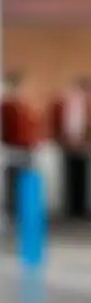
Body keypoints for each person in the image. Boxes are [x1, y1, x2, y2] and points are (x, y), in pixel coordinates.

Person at [0, 73, 44, 218]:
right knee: (12, 178)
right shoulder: (6, 105)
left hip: (26, 146)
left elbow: (31, 126)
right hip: (13, 146)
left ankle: (25, 209)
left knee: (27, 178)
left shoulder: (24, 105)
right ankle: (12, 209)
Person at [52, 78, 91, 218]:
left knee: (83, 176)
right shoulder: (65, 103)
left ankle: (81, 208)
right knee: (70, 175)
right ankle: (71, 208)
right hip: (67, 144)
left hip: (83, 144)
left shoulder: (86, 104)